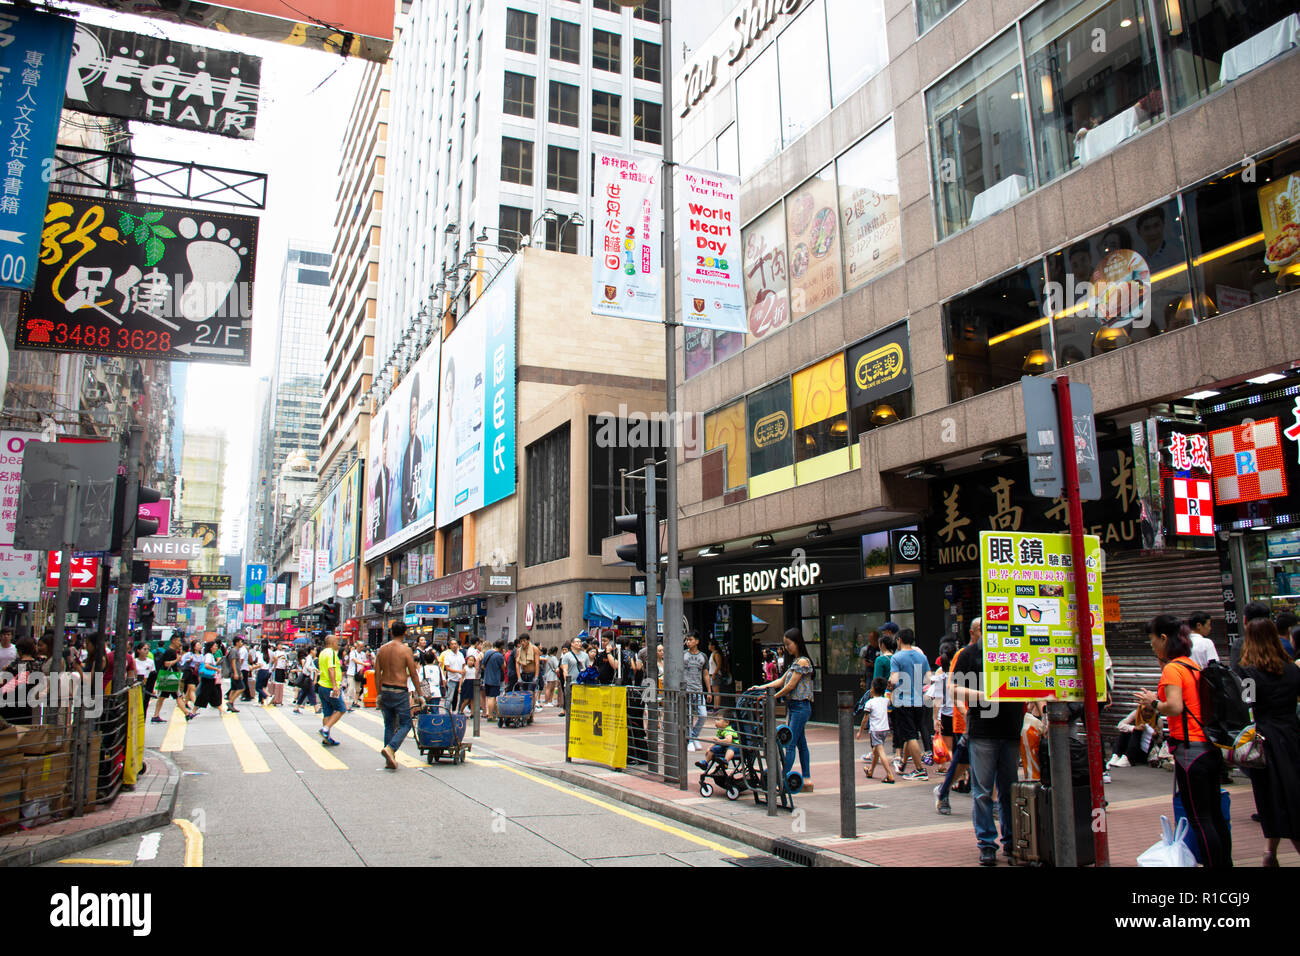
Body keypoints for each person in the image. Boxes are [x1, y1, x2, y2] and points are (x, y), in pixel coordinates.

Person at [1135, 614, 1231, 868]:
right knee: (1214, 816)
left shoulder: (1173, 670)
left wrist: (1152, 702)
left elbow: (1175, 707)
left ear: (1164, 639)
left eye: (1153, 639)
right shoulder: (1191, 665)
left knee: (1200, 819)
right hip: (1208, 748)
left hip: (1191, 752)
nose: (1152, 645)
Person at [952, 623, 1024, 866]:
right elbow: (953, 689)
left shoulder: (1018, 649)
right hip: (983, 732)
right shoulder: (969, 655)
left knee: (1009, 790)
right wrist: (983, 696)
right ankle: (987, 844)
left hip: (1011, 729)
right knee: (982, 791)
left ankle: (1012, 842)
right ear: (977, 631)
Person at [1236, 617, 1300, 867]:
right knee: (1290, 795)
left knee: (1273, 799)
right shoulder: (1293, 669)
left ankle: (1272, 854)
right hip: (1292, 739)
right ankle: (1269, 853)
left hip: (1265, 744)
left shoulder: (1248, 673)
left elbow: (1246, 706)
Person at [756, 628, 815, 791]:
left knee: (789, 743)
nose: (787, 647)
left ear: (797, 642)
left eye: (789, 644)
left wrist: (773, 697)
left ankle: (781, 778)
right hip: (795, 706)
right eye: (785, 644)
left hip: (801, 706)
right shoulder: (795, 662)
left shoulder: (803, 662)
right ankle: (807, 778)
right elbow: (781, 681)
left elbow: (790, 685)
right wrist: (761, 687)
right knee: (800, 743)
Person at [375, 622, 427, 769]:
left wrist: (379, 693)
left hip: (385, 690)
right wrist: (420, 694)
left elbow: (377, 673)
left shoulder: (382, 650)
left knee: (389, 724)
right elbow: (414, 673)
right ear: (405, 633)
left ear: (391, 632)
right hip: (400, 691)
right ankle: (391, 748)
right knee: (406, 724)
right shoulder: (406, 651)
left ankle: (389, 759)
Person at [888, 628, 932, 781]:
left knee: (911, 735)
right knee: (910, 734)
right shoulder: (922, 657)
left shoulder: (896, 658)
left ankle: (920, 769)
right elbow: (928, 679)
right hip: (919, 700)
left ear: (899, 640)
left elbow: (893, 679)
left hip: (903, 701)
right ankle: (903, 765)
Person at [857, 677, 896, 783]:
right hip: (884, 730)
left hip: (875, 730)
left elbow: (865, 719)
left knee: (880, 751)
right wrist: (891, 689)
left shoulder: (870, 703)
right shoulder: (886, 701)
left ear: (872, 688)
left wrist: (860, 731)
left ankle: (889, 774)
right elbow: (891, 701)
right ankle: (870, 771)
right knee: (876, 751)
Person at [1106, 701, 1162, 769]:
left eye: (1151, 711)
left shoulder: (1157, 719)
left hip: (1145, 751)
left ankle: (1129, 759)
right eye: (1145, 710)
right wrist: (1134, 728)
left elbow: (1160, 741)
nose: (1148, 713)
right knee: (1126, 731)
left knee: (1137, 731)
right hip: (1133, 745)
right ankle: (1116, 755)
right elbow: (1120, 725)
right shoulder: (1136, 713)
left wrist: (1155, 735)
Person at [317, 634, 346, 747]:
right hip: (330, 687)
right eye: (337, 642)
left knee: (327, 712)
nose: (338, 644)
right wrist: (335, 686)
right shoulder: (332, 653)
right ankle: (325, 729)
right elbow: (331, 669)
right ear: (332, 642)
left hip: (322, 686)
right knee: (341, 708)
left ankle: (326, 738)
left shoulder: (323, 653)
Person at [682, 632, 710, 752]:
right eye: (687, 640)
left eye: (690, 640)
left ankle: (694, 736)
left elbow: (705, 674)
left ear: (697, 641)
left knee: (703, 715)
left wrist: (709, 690)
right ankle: (691, 741)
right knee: (688, 717)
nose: (688, 642)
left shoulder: (703, 656)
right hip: (686, 690)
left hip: (698, 690)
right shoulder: (683, 654)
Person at [149, 635, 185, 723]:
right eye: (178, 641)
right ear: (173, 641)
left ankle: (156, 715)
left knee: (164, 697)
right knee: (177, 696)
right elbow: (166, 664)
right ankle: (187, 714)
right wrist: (177, 660)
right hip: (169, 676)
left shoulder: (172, 651)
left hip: (169, 676)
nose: (179, 643)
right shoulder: (170, 652)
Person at [559, 638, 588, 716]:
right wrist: (567, 682)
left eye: (580, 642)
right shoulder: (567, 656)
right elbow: (565, 670)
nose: (579, 643)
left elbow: (587, 668)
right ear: (572, 644)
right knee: (570, 705)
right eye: (577, 642)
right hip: (571, 684)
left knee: (582, 705)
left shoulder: (585, 655)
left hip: (582, 684)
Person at [440, 639, 465, 711]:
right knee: (449, 698)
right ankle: (447, 712)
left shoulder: (460, 654)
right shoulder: (447, 655)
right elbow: (447, 668)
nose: (454, 645)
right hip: (451, 679)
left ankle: (455, 712)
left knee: (457, 697)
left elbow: (463, 665)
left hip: (460, 679)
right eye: (452, 644)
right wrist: (458, 671)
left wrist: (462, 672)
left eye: (455, 644)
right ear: (450, 646)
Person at [293, 647, 318, 714]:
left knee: (303, 694)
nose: (316, 651)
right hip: (307, 678)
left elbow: (312, 666)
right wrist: (313, 669)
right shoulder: (309, 657)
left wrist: (316, 669)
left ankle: (296, 708)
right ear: (311, 651)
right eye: (314, 650)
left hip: (306, 678)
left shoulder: (310, 658)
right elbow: (307, 666)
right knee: (312, 693)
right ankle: (316, 709)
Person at [459, 638, 481, 715]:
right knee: (466, 699)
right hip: (467, 683)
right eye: (469, 660)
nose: (471, 662)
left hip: (473, 683)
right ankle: (461, 711)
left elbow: (476, 675)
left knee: (473, 699)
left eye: (472, 660)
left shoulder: (475, 669)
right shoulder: (465, 668)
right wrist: (459, 686)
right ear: (467, 661)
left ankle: (472, 713)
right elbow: (462, 677)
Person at [222, 639, 243, 713]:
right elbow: (233, 662)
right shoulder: (234, 651)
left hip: (235, 672)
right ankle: (230, 702)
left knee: (234, 689)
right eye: (241, 642)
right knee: (241, 688)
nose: (242, 643)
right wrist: (236, 673)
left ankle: (231, 706)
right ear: (237, 643)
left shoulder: (235, 651)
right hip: (234, 673)